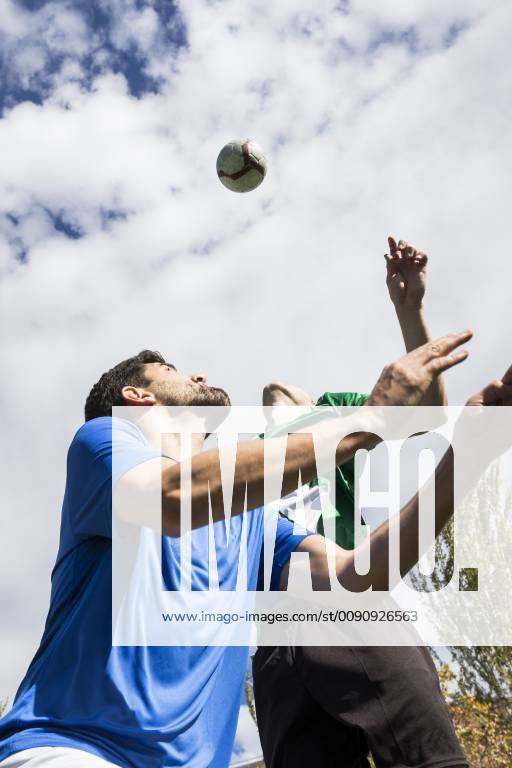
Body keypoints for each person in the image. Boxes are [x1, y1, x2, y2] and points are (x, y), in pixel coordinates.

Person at [0, 239, 509, 767]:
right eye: (172, 369)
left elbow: (362, 576)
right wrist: (371, 422)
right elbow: (171, 498)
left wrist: (469, 454)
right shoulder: (104, 442)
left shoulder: (253, 520)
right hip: (73, 752)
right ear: (136, 396)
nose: (197, 375)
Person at [253, 238, 470, 767]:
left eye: (289, 393)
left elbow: (424, 411)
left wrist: (409, 309)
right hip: (271, 629)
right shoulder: (249, 458)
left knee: (419, 750)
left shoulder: (336, 414)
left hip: (340, 590)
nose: (275, 391)